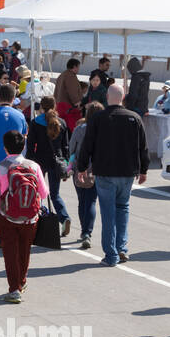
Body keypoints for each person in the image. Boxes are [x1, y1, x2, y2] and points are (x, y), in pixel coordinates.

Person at [79, 84, 147, 267]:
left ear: (108, 97)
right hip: (127, 172)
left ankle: (111, 255)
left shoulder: (98, 118)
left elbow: (88, 144)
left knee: (108, 212)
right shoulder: (134, 118)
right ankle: (122, 248)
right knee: (123, 208)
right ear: (123, 98)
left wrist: (82, 167)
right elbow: (143, 147)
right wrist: (144, 170)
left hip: (105, 171)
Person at [0, 130, 49, 303]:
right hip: (30, 216)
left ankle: (14, 289)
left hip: (5, 216)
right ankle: (22, 281)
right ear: (24, 146)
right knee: (25, 249)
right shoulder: (33, 166)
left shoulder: (0, 167)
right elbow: (44, 192)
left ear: (5, 148)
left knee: (10, 252)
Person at [27, 96, 71, 237]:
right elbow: (66, 147)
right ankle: (64, 218)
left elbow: (30, 146)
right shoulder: (62, 123)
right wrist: (66, 167)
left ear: (41, 107)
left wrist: (28, 163)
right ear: (55, 106)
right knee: (55, 194)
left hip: (39, 161)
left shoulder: (35, 123)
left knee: (38, 193)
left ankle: (38, 220)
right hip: (56, 162)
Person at [67, 100, 103, 249]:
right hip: (97, 170)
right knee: (91, 201)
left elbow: (71, 150)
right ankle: (87, 231)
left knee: (82, 200)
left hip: (79, 169)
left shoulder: (80, 129)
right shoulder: (103, 130)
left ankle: (84, 231)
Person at [54, 58, 83, 132]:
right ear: (74, 67)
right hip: (67, 107)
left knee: (61, 127)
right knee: (73, 128)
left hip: (59, 104)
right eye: (78, 67)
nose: (79, 69)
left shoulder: (62, 75)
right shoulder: (71, 76)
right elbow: (72, 91)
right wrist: (77, 103)